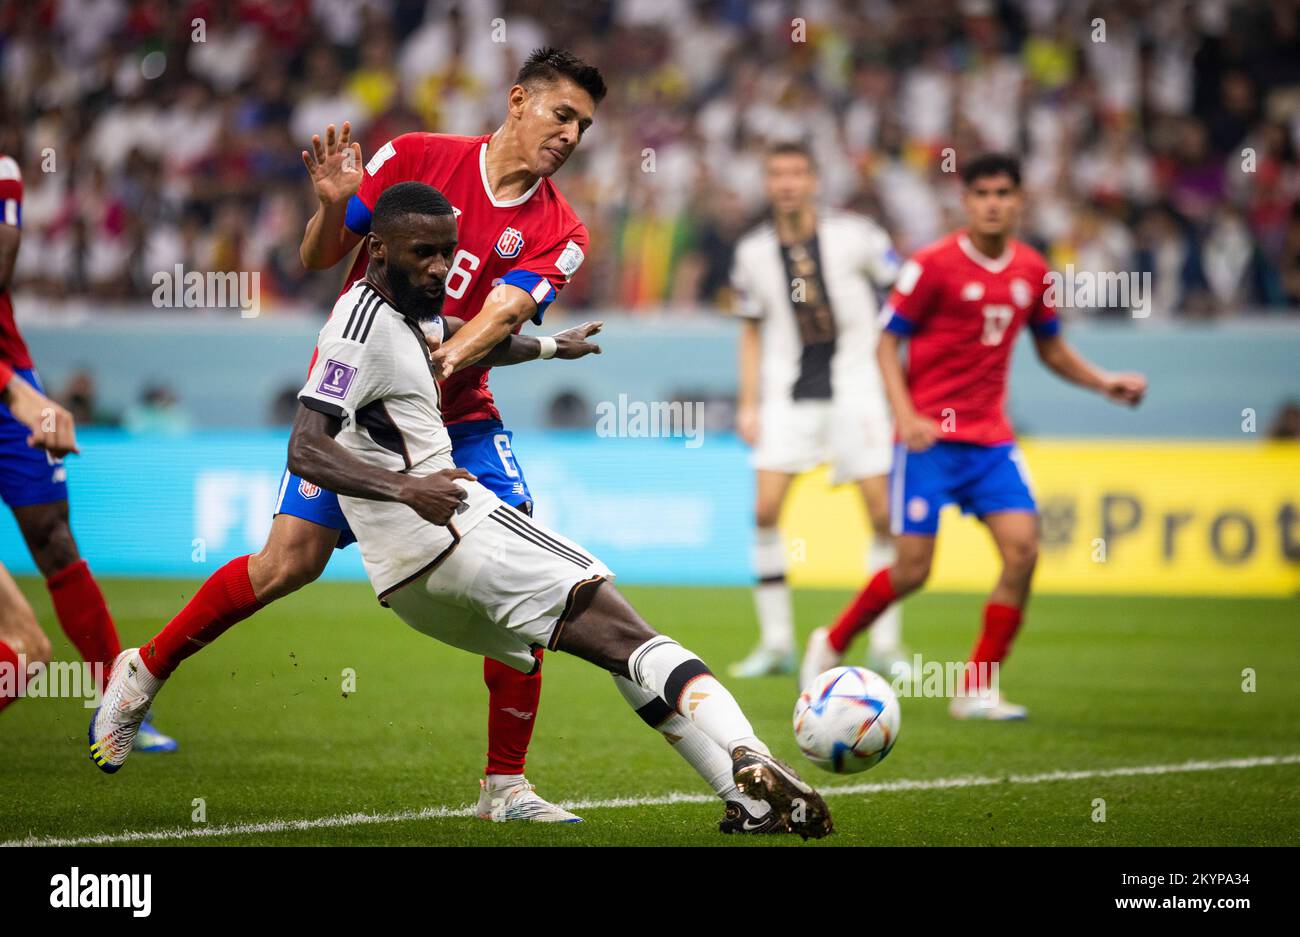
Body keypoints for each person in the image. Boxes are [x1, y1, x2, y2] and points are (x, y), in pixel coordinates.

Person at [92, 182, 833, 839]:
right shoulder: (360, 330)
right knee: (636, 637)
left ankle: (730, 799)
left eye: (449, 253)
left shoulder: (404, 306)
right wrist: (409, 487)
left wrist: (549, 348)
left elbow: (456, 342)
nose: (443, 269)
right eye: (425, 254)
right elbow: (304, 448)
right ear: (376, 249)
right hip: (453, 531)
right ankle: (751, 760)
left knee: (601, 644)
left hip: (412, 586)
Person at [114, 48, 603, 821]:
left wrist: (441, 362)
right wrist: (329, 207)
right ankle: (142, 669)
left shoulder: (562, 229)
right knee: (285, 564)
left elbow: (503, 315)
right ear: (517, 100)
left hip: (461, 420)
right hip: (353, 406)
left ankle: (504, 785)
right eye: (561, 113)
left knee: (526, 578)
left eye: (583, 124)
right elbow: (319, 258)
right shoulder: (414, 157)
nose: (571, 134)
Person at [801, 154, 1148, 719]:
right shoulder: (932, 266)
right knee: (914, 568)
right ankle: (833, 641)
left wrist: (1104, 381)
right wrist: (906, 415)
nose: (993, 202)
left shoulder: (1033, 271)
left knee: (1023, 551)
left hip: (990, 442)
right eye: (982, 193)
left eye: (1004, 193)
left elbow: (1052, 347)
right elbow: (887, 343)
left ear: (1019, 201)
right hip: (927, 442)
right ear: (966, 201)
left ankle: (977, 688)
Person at [0, 152, 173, 748]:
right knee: (25, 646)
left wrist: (15, 393)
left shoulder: (4, 173)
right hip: (12, 390)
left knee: (52, 537)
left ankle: (116, 701)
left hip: (11, 381)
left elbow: (0, 269)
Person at [730, 141, 907, 680]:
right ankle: (777, 642)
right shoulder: (752, 253)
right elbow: (751, 332)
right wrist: (747, 404)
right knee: (764, 511)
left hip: (858, 392)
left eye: (797, 173)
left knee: (881, 516)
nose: (787, 183)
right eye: (777, 174)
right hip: (788, 395)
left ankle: (887, 645)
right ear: (768, 183)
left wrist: (901, 389)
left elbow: (905, 300)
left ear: (814, 181)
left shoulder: (858, 236)